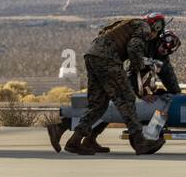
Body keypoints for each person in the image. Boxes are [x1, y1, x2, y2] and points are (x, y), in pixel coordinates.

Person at [64, 13, 167, 156]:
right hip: (108, 58)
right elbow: (133, 48)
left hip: (93, 56)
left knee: (98, 104)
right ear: (156, 26)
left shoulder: (129, 24)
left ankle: (74, 141)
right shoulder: (144, 27)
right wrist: (141, 66)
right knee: (126, 99)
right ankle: (139, 142)